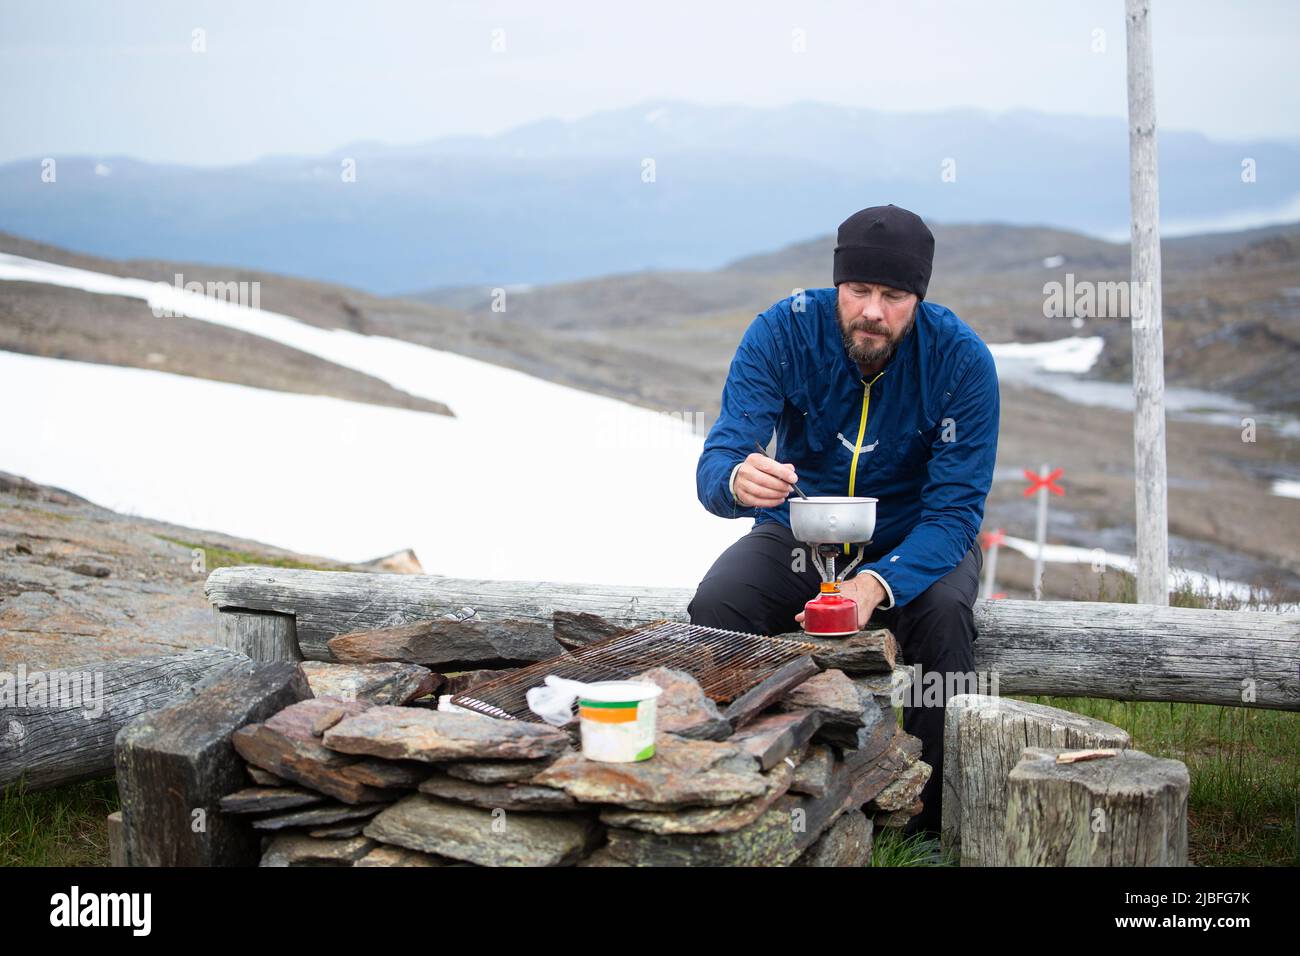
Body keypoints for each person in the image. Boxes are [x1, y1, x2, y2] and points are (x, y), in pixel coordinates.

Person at [688, 204, 1000, 838]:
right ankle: (741, 797)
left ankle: (928, 830)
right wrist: (736, 480)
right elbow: (716, 464)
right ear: (838, 284)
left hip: (917, 539)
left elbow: (956, 512)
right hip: (801, 530)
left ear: (919, 296)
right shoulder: (782, 332)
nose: (873, 312)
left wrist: (872, 587)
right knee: (720, 603)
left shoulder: (961, 360)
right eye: (859, 290)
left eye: (894, 295)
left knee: (944, 619)